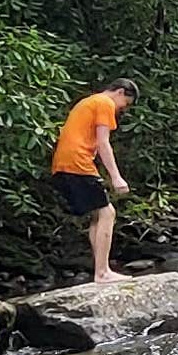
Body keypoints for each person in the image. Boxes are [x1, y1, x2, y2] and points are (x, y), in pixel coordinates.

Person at [51, 78, 136, 282]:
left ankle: (101, 269)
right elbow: (103, 143)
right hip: (77, 162)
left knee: (99, 214)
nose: (123, 109)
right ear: (120, 93)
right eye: (126, 104)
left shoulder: (88, 102)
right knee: (108, 212)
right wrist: (116, 177)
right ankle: (102, 272)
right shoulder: (104, 103)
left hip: (63, 164)